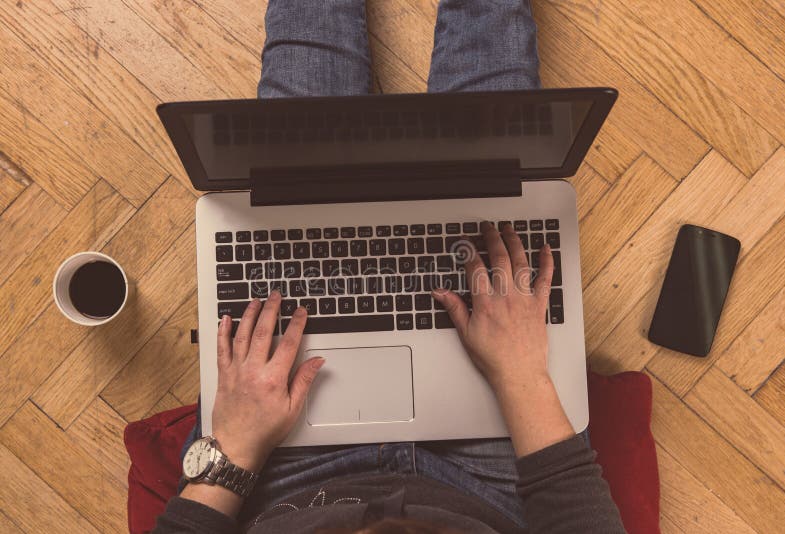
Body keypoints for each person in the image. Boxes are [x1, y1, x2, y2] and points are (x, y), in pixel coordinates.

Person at [154, 1, 625, 532]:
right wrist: (524, 380)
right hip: (498, 470)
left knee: (302, 87)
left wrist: (233, 450)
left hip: (278, 472)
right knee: (492, 113)